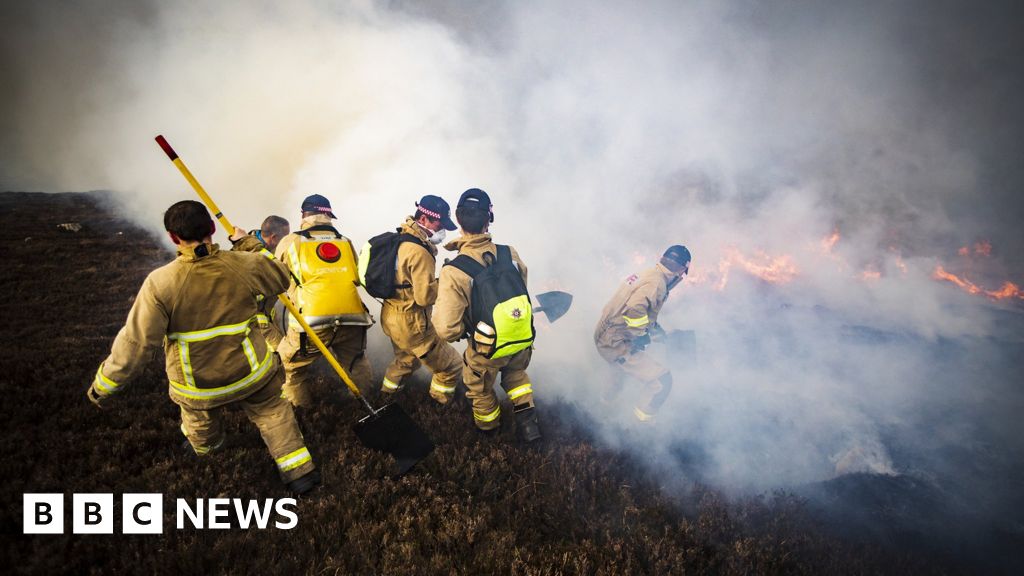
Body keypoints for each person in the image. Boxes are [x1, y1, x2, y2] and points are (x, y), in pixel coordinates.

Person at [87, 200, 319, 494]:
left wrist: (103, 386)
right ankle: (301, 475)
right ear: (212, 228)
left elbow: (136, 343)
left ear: (173, 236)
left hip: (198, 384)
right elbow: (281, 275)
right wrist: (247, 243)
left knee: (200, 425)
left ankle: (214, 460)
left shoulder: (160, 283)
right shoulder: (244, 265)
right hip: (251, 372)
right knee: (273, 413)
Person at [434, 188, 541, 442]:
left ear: (458, 221)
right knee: (517, 378)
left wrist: (466, 331)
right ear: (488, 220)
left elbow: (446, 329)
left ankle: (489, 433)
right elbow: (521, 288)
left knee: (479, 388)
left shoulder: (454, 270)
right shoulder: (509, 253)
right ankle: (530, 429)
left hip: (486, 348)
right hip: (521, 338)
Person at [275, 194, 373, 407]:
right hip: (353, 317)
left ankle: (302, 411)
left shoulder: (291, 241)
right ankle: (360, 406)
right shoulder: (345, 241)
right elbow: (357, 278)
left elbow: (275, 277)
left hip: (311, 322)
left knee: (291, 367)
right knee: (356, 361)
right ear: (328, 215)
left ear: (304, 215)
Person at [376, 195, 463, 404]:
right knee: (451, 365)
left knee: (405, 360)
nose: (441, 230)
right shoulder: (419, 251)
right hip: (412, 324)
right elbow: (424, 297)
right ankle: (439, 406)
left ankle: (387, 397)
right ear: (423, 219)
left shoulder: (399, 239)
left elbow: (405, 282)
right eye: (438, 224)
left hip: (391, 316)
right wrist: (446, 282)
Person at [593, 245, 691, 423]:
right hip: (614, 341)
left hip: (608, 334)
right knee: (662, 382)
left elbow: (641, 307)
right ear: (682, 269)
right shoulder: (657, 284)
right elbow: (635, 307)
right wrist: (639, 334)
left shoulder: (650, 274)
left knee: (619, 372)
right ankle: (639, 427)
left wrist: (654, 329)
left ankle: (603, 411)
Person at [233, 215, 291, 348]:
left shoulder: (271, 249)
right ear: (274, 237)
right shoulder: (245, 252)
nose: (288, 241)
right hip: (254, 317)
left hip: (268, 315)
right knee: (281, 352)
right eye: (285, 237)